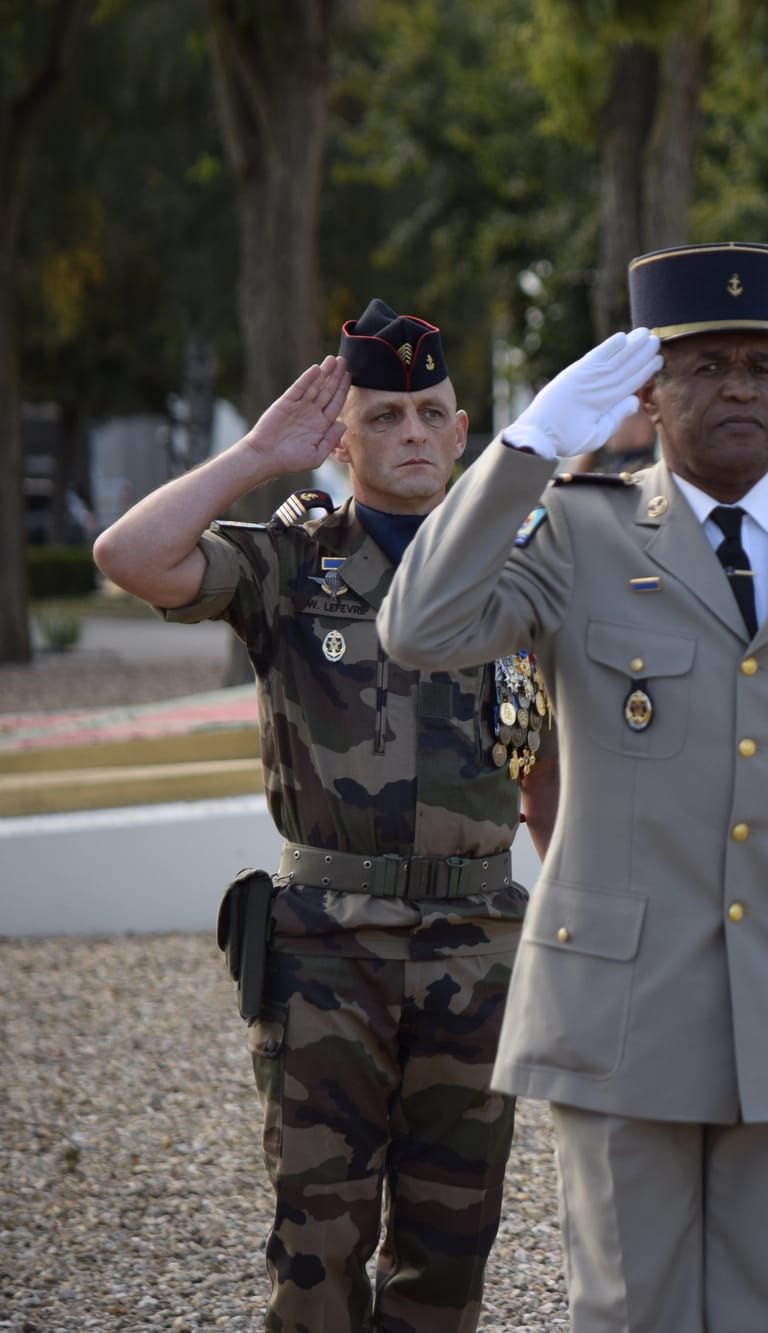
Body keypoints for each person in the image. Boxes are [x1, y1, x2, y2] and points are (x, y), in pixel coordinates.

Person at [378, 241, 768, 1333]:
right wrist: (525, 448)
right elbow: (419, 628)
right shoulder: (574, 530)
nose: (736, 386)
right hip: (620, 1002)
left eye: (757, 363)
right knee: (628, 1310)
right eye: (703, 366)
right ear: (648, 391)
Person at [92, 300, 540, 1332]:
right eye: (382, 417)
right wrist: (255, 455)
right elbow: (130, 557)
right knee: (316, 1247)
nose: (413, 435)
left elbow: (544, 758)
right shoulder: (292, 562)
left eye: (431, 413)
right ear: (342, 438)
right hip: (327, 953)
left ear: (463, 430)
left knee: (452, 1250)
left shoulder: (516, 568)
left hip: (480, 947)